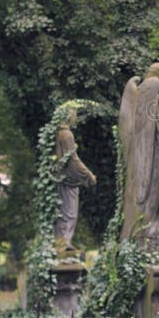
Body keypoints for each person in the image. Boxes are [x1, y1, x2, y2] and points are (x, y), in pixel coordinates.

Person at [119, 62, 159, 241]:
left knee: (154, 189)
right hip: (152, 152)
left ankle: (151, 224)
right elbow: (145, 129)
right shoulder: (151, 85)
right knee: (151, 188)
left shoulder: (153, 96)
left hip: (157, 149)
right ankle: (146, 227)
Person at [53, 108, 97, 251]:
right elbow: (73, 159)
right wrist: (88, 175)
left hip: (61, 179)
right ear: (68, 116)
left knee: (63, 212)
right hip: (68, 180)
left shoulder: (58, 133)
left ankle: (62, 242)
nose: (75, 119)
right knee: (70, 213)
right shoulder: (66, 135)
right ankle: (63, 243)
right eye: (74, 116)